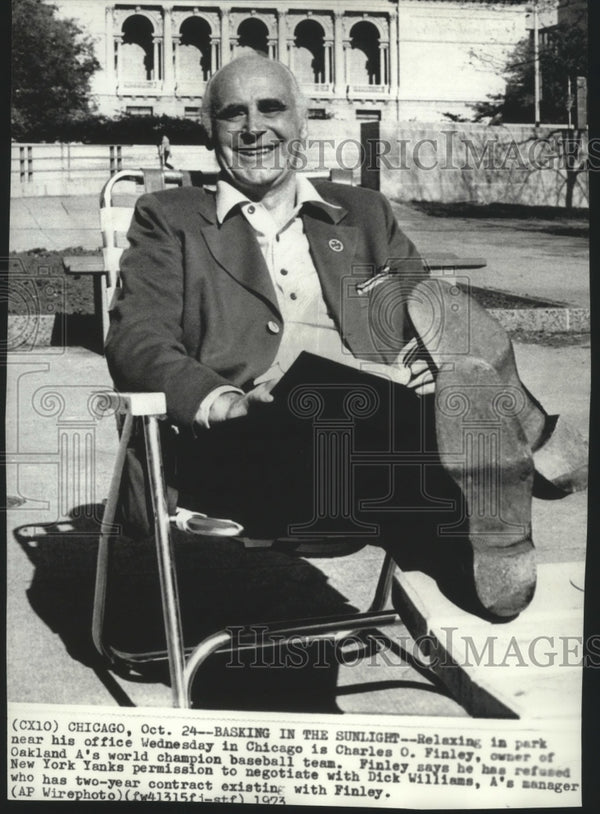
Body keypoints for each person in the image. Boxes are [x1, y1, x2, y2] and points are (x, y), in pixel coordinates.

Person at [106, 54, 587, 622]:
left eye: (271, 108)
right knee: (357, 407)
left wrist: (423, 359)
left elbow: (424, 315)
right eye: (233, 113)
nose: (253, 126)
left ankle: (473, 540)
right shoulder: (170, 217)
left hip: (373, 440)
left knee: (437, 336)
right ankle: (514, 453)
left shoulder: (361, 212)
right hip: (250, 444)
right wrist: (226, 403)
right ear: (210, 131)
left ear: (301, 123)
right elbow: (137, 338)